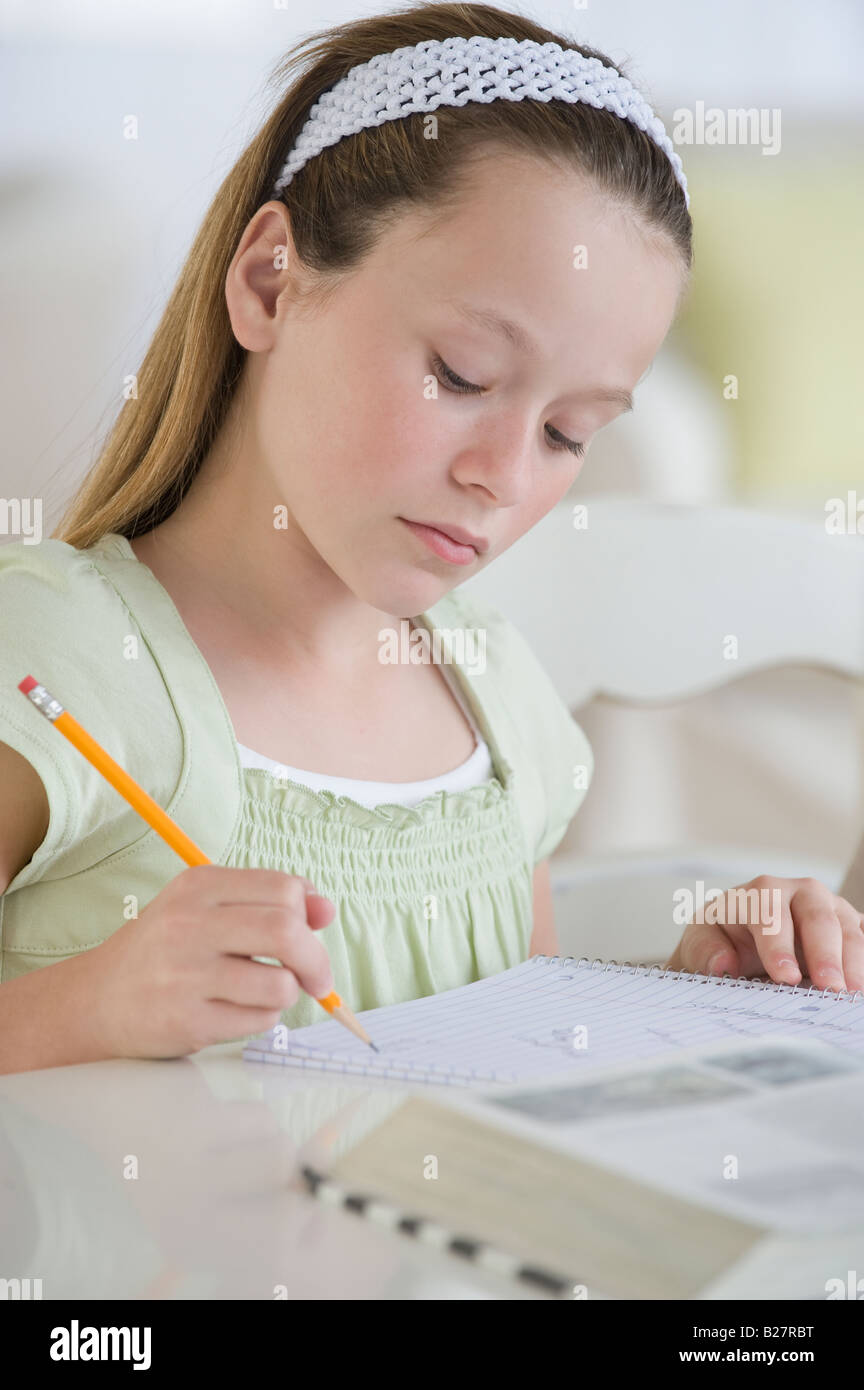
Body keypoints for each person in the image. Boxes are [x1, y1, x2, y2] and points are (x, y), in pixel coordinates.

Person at [1, 3, 860, 1077]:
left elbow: (501, 1071)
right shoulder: (53, 661)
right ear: (271, 280)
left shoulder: (501, 703)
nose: (501, 475)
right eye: (459, 375)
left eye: (567, 432)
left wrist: (690, 999)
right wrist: (88, 1006)